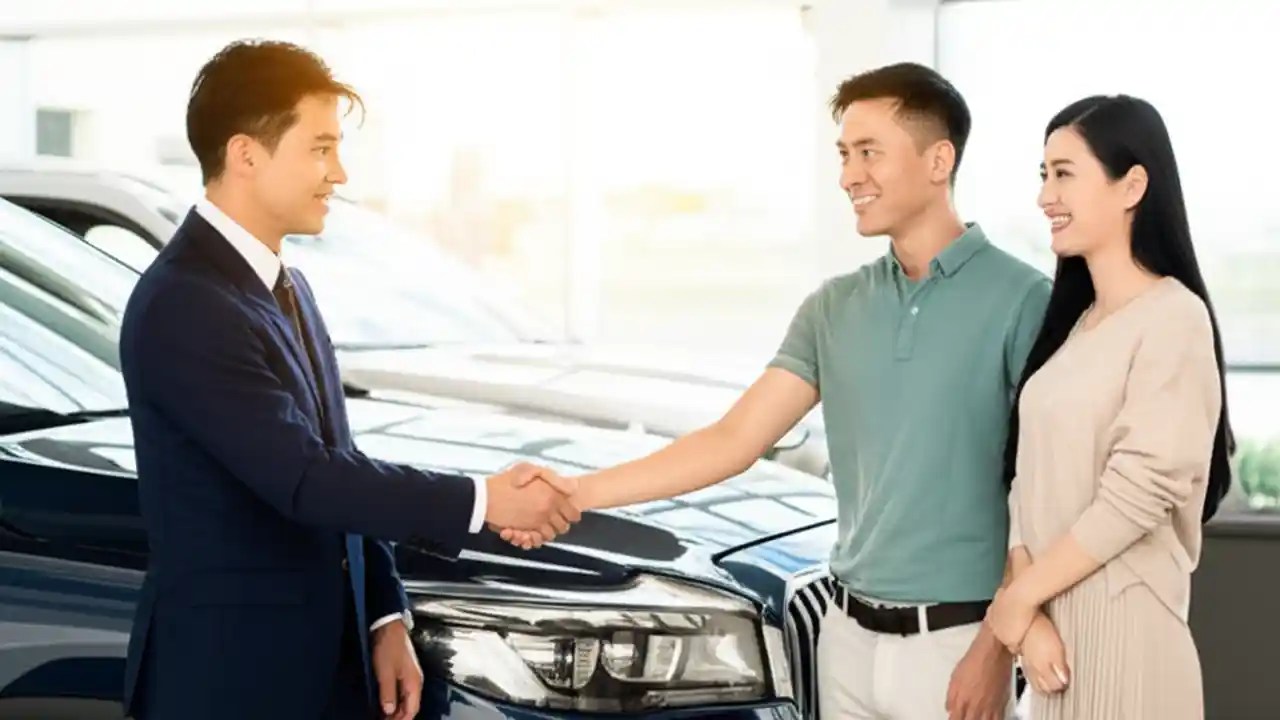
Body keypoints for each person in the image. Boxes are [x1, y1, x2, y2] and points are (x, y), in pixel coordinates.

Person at [505, 62, 1050, 720]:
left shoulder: (1024, 301)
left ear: (939, 160)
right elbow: (735, 440)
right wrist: (576, 494)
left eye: (870, 153)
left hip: (958, 644)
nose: (850, 175)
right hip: (844, 642)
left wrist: (996, 647)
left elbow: (1045, 492)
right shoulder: (834, 307)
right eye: (845, 154)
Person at [118, 40, 579, 720]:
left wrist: (383, 614)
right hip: (232, 681)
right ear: (246, 154)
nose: (338, 173)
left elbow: (341, 458)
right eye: (320, 148)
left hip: (321, 668)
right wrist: (484, 503)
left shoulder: (285, 285)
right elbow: (307, 480)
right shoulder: (187, 303)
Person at [984, 94, 1234, 720]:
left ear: (1133, 186)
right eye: (1043, 175)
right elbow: (1025, 477)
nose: (1046, 196)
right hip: (1051, 648)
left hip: (1129, 638)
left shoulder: (1173, 316)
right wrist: (1026, 612)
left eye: (1064, 173)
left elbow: (1141, 487)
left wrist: (1019, 600)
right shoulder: (1075, 329)